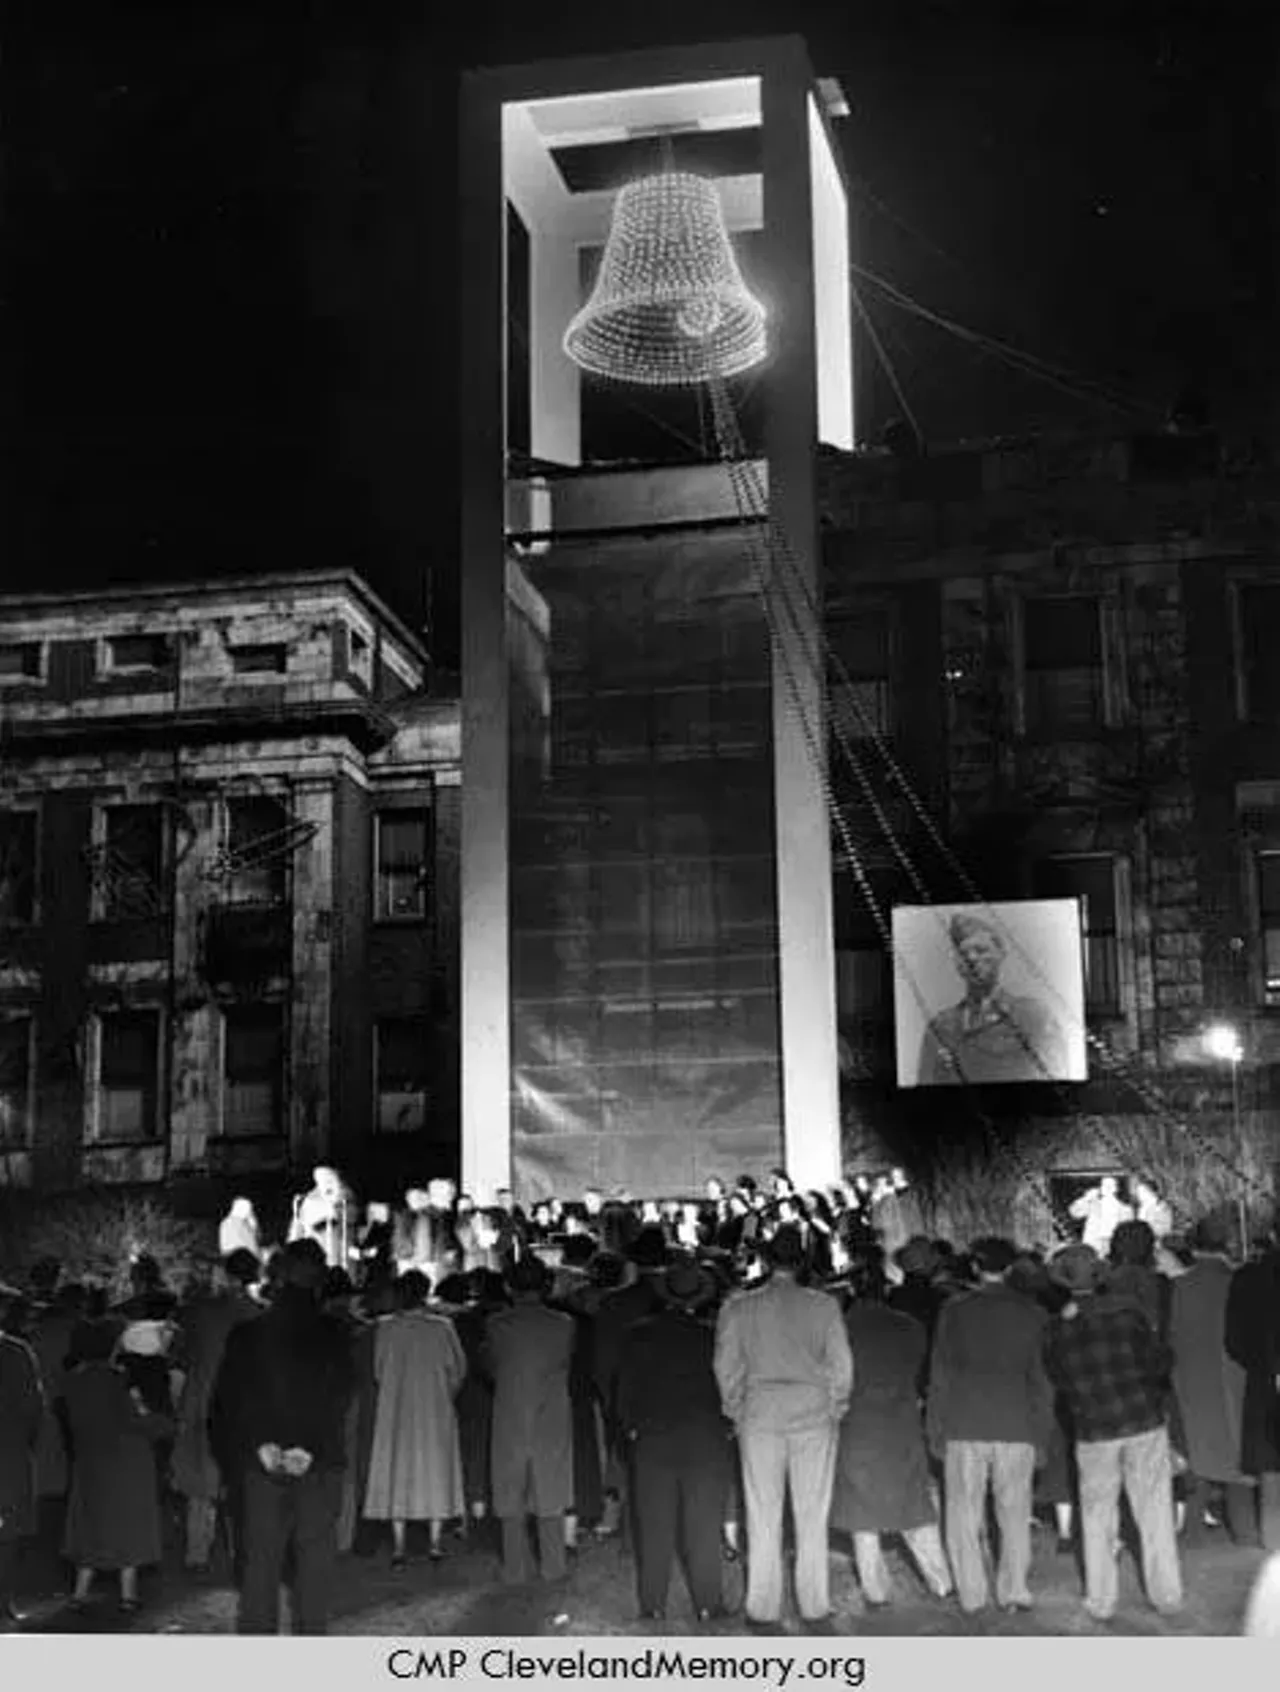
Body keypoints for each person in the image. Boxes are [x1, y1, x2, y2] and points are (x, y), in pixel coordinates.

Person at [212, 1239, 356, 1634]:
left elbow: (231, 1401)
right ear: (320, 1278)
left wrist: (260, 1443)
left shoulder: (248, 1333)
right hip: (318, 1461)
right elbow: (337, 1398)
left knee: (261, 1562)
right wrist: (308, 1446)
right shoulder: (335, 1334)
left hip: (262, 1463)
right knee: (313, 1562)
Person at [714, 1224, 853, 1630]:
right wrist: (835, 1405)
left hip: (760, 1413)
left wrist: (736, 1408)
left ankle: (762, 1606)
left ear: (767, 1261)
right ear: (804, 1263)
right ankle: (814, 1605)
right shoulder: (824, 1306)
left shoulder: (739, 1307)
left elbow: (726, 1366)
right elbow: (841, 1365)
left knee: (762, 1511)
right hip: (812, 1414)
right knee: (812, 1513)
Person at [1044, 1243, 1182, 1623]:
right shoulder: (1129, 1315)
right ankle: (1166, 1594)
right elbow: (1161, 1360)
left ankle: (1101, 1600)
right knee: (1153, 1510)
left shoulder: (1057, 1328)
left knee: (1097, 1515)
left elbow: (1056, 1377)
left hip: (1093, 1429)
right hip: (1142, 1421)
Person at [924, 1236, 1054, 1615]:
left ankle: (971, 1595)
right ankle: (1013, 1590)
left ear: (976, 1268)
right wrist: (1042, 1434)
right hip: (1017, 1425)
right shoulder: (1033, 1313)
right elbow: (1042, 1381)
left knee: (962, 1513)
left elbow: (940, 1375)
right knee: (1014, 1513)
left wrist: (935, 1429)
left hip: (964, 1424)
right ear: (1011, 1268)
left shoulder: (954, 1309)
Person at [833, 1252, 952, 1610]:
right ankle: (941, 1582)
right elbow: (919, 1373)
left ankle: (876, 1592)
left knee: (862, 1513)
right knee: (914, 1505)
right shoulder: (910, 1326)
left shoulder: (840, 1329)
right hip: (901, 1423)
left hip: (857, 1425)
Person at [616, 1257, 730, 1624]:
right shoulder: (712, 1335)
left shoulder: (638, 1333)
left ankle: (653, 1603)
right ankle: (708, 1603)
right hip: (705, 1437)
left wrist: (632, 1427)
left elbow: (625, 1393)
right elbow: (727, 1388)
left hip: (653, 1438)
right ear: (699, 1297)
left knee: (654, 1523)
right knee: (703, 1522)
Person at [62, 1319, 172, 1613]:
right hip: (126, 1463)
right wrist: (162, 1421)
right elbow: (137, 1420)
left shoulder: (73, 1381)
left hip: (89, 1461)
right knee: (128, 1527)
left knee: (91, 1524)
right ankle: (127, 1593)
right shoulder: (119, 1379)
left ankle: (80, 1592)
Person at [363, 1270, 466, 1567]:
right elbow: (457, 1369)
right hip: (435, 1406)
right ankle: (434, 1543)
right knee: (436, 1470)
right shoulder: (443, 1327)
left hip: (396, 1407)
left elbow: (379, 1370)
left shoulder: (385, 1328)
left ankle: (399, 1545)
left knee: (397, 1468)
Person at [483, 1254, 574, 1584]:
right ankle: (554, 1565)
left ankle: (515, 1568)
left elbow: (491, 1367)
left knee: (510, 1492)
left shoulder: (496, 1325)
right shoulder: (563, 1324)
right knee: (550, 1491)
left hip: (509, 1411)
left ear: (510, 1287)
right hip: (551, 1414)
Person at [170, 1249, 261, 1573]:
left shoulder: (202, 1313)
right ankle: (242, 1552)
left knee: (200, 1485)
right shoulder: (257, 1314)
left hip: (202, 1401)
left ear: (227, 1275)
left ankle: (197, 1552)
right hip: (243, 1406)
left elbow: (183, 1354)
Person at [1169, 1216, 1256, 1547]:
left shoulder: (1180, 1286)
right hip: (1235, 1377)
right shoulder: (1237, 1280)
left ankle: (1191, 1530)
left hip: (1190, 1378)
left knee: (1196, 1449)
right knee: (1236, 1452)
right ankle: (1245, 1531)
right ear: (1228, 1245)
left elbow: (1171, 1337)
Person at [916, 911, 1070, 1085]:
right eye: (963, 953)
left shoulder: (1033, 1016)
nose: (971, 958)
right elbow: (923, 1091)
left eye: (981, 950)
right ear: (956, 963)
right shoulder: (940, 1028)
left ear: (1000, 954)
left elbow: (1059, 1081)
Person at [1224, 1224, 1280, 1551]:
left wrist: (1263, 1366)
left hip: (1264, 1381)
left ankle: (1276, 1554)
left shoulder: (1248, 1278)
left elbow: (1234, 1342)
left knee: (1273, 1472)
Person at [0, 1293, 43, 1628]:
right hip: (9, 1455)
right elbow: (34, 1410)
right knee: (7, 1534)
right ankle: (4, 1601)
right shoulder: (17, 1353)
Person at [291, 1166, 355, 1270]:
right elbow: (296, 1232)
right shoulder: (308, 1202)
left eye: (329, 1180)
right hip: (317, 1260)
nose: (324, 1185)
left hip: (342, 1258)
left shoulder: (347, 1199)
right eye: (320, 1181)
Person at [1069, 1177, 1134, 1259]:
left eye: (1110, 1186)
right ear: (1101, 1189)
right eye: (1104, 1186)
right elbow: (1074, 1212)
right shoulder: (1093, 1204)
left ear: (1116, 1189)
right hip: (1094, 1242)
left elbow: (1128, 1231)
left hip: (1113, 1243)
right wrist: (1086, 1198)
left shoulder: (1124, 1209)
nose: (1107, 1189)